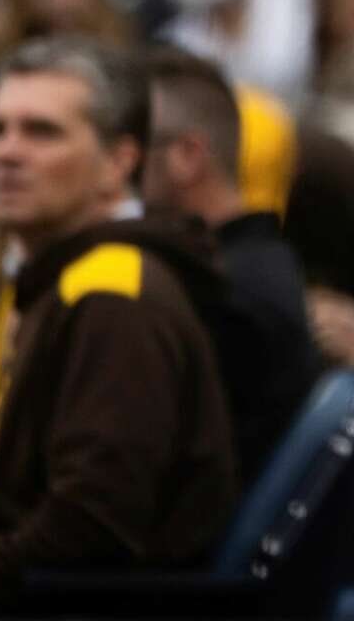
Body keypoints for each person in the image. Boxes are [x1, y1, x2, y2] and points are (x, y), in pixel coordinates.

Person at [0, 38, 236, 609]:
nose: (5, 153)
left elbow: (89, 532)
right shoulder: (68, 279)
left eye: (41, 132)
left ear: (118, 161)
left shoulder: (115, 298)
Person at [141, 46, 318, 484]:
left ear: (187, 156)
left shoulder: (223, 298)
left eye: (129, 143)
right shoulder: (256, 264)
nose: (114, 163)